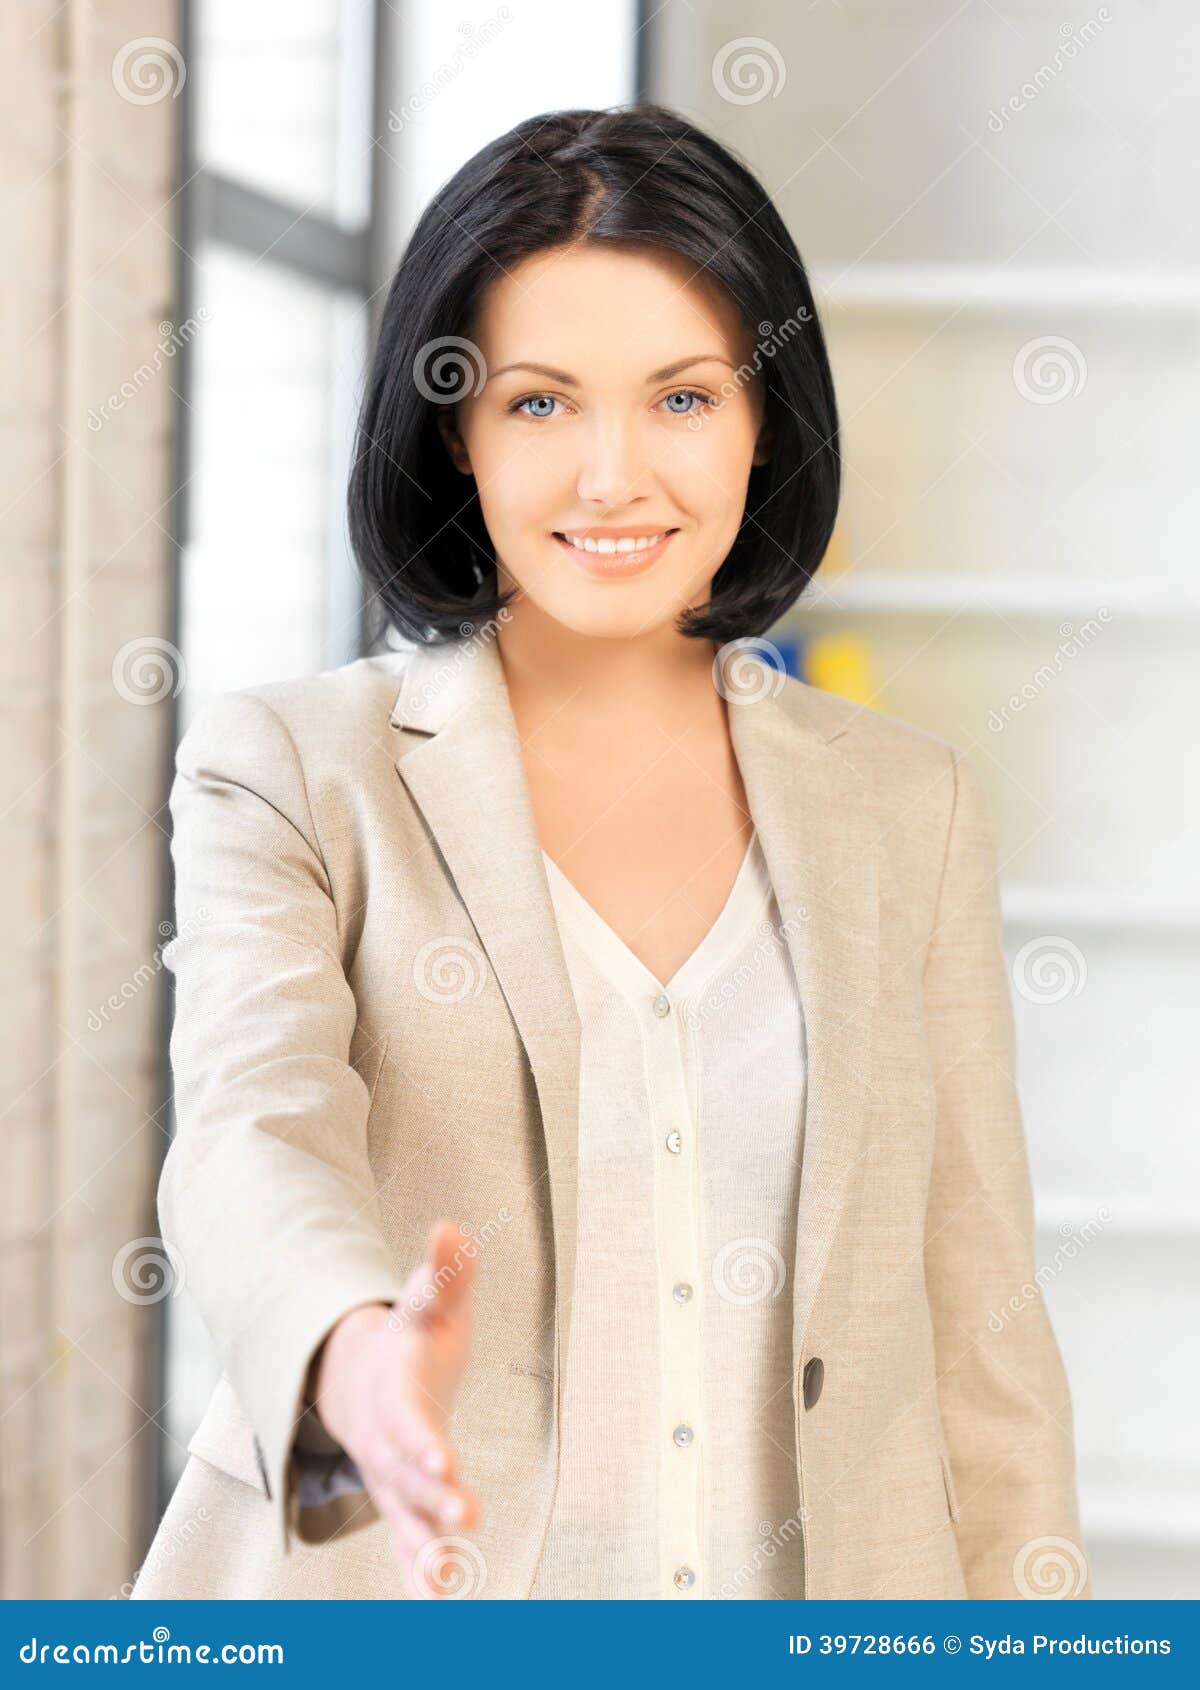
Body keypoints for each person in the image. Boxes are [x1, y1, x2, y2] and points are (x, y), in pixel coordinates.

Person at [131, 104, 1089, 1602]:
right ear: (454, 424)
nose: (612, 476)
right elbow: (254, 1135)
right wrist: (349, 1342)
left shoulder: (914, 809)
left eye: (684, 398)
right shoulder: (294, 772)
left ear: (767, 416)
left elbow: (982, 1334)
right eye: (539, 403)